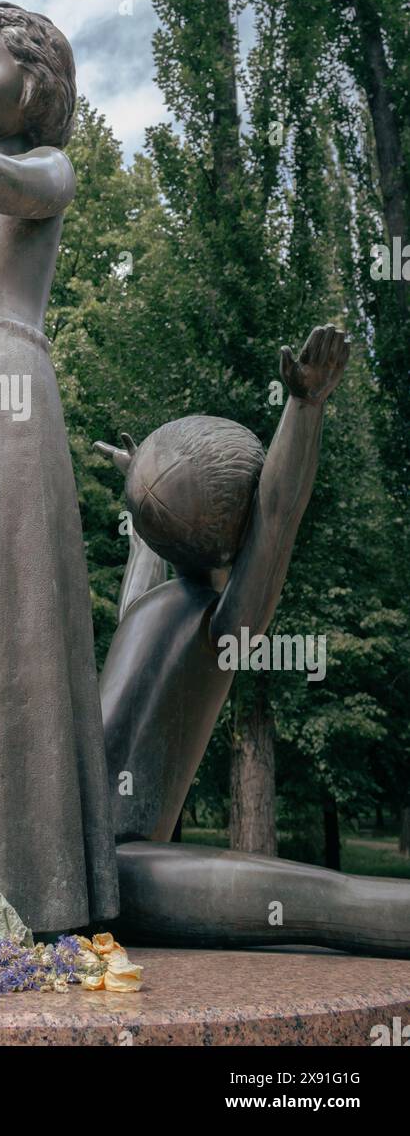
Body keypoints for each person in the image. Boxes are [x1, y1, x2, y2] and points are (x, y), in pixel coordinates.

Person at [96, 326, 410, 957]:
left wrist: (304, 411)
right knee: (331, 900)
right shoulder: (161, 613)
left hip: (109, 868)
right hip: (105, 871)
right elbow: (271, 517)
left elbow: (274, 516)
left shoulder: (210, 620)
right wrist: (148, 495)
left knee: (330, 901)